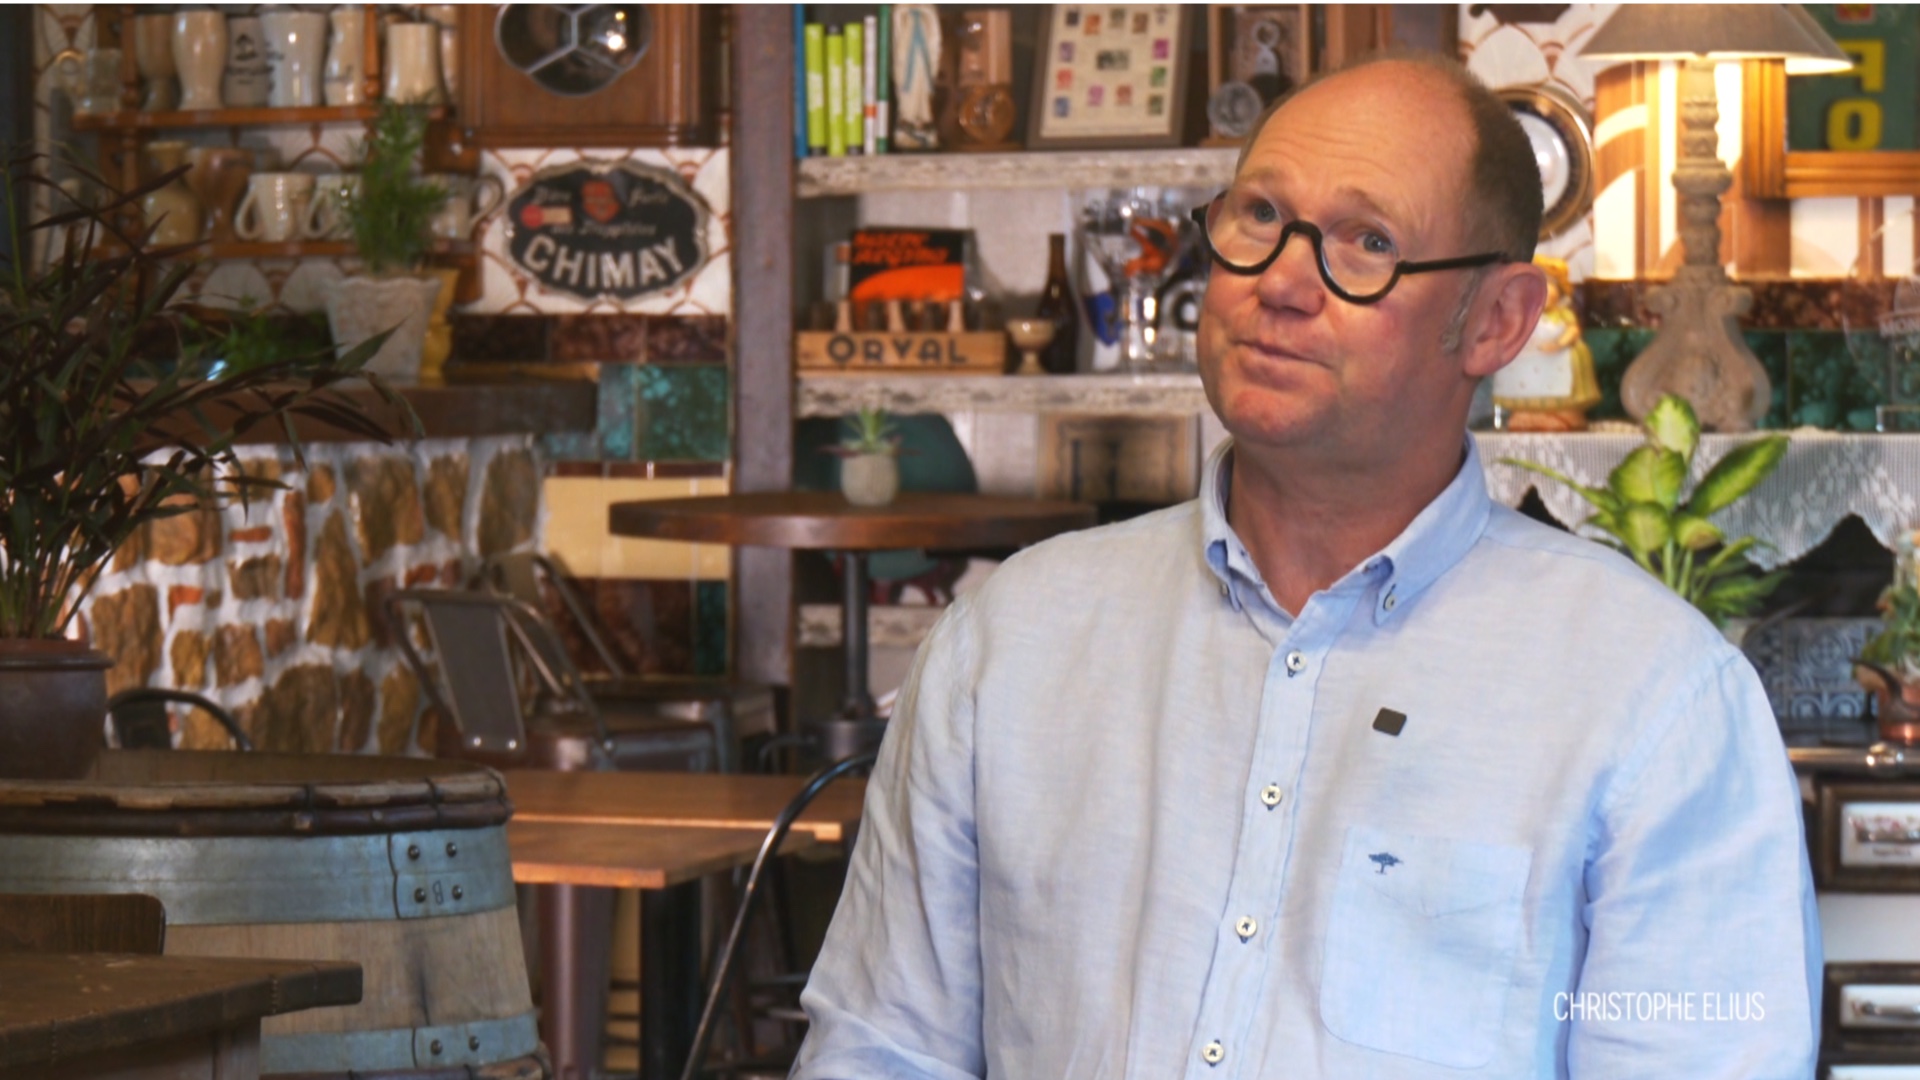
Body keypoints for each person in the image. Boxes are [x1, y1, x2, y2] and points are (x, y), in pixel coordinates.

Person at [791, 54, 1819, 1079]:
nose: (1281, 283)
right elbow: (882, 1050)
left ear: (1498, 320)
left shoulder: (1651, 699)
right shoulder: (1010, 644)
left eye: (1368, 243)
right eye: (1258, 217)